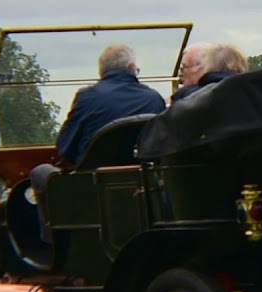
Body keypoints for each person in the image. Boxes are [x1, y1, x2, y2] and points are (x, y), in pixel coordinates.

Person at [30, 44, 167, 235]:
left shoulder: (86, 98)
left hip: (92, 192)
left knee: (39, 172)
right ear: (131, 67)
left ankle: (57, 240)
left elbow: (64, 149)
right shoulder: (154, 99)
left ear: (102, 71)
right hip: (143, 188)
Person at [173, 44, 247, 101]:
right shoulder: (250, 93)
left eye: (183, 68)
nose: (179, 74)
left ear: (204, 67)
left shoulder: (186, 99)